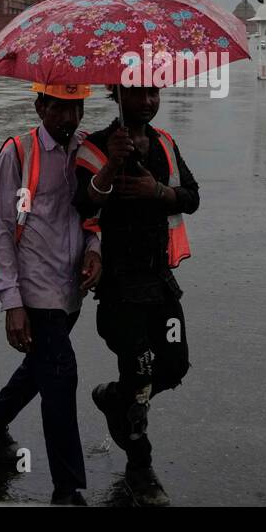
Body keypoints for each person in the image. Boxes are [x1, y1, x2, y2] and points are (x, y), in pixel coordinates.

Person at [0, 83, 103, 506]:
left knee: (41, 369)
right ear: (40, 105)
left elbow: (94, 213)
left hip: (71, 287)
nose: (69, 118)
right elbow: (0, 227)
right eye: (60, 108)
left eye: (76, 107)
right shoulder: (18, 153)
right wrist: (11, 302)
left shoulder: (87, 150)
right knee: (61, 378)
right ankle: (68, 489)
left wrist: (96, 251)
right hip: (34, 290)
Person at [74, 85, 199, 507]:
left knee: (174, 366)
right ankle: (140, 466)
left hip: (159, 281)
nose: (147, 101)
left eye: (153, 93)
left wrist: (157, 192)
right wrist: (110, 165)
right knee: (141, 371)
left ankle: (114, 398)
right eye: (136, 93)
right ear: (116, 94)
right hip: (119, 287)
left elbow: (192, 197)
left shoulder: (164, 143)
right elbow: (83, 204)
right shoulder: (94, 147)